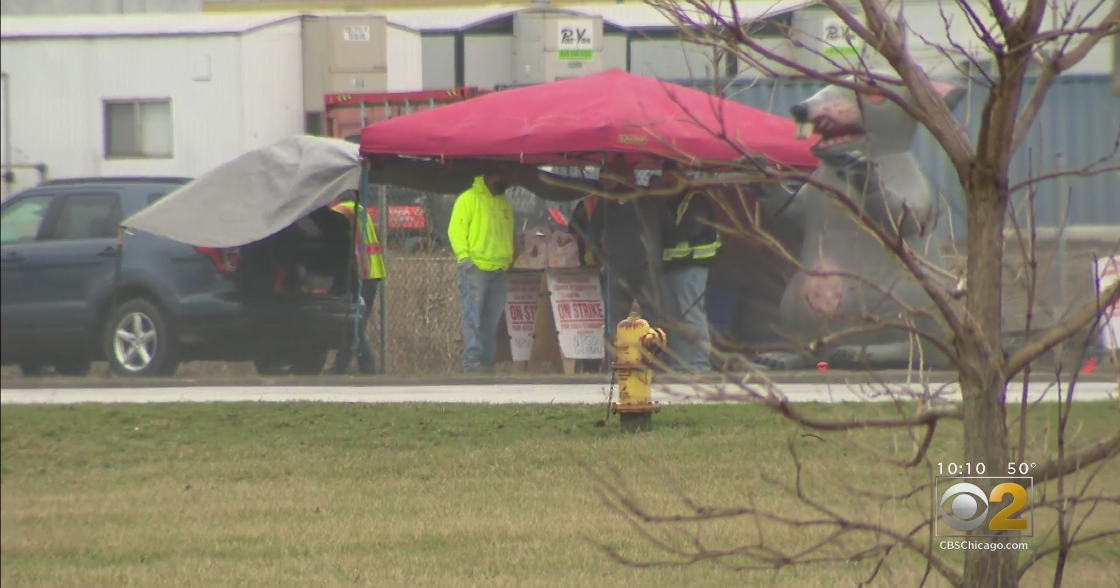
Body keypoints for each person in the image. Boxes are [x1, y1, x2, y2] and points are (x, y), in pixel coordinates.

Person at [449, 173, 515, 373]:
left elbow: (508, 234)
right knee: (474, 319)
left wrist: (508, 260)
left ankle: (486, 365)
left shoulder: (503, 203)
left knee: (491, 322)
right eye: (499, 176)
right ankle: (472, 365)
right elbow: (456, 231)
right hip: (476, 269)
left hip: (499, 269)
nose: (504, 181)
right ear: (489, 176)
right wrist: (465, 260)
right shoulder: (468, 199)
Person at [658, 161, 720, 372]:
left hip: (691, 267)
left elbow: (685, 231)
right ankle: (679, 365)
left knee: (692, 317)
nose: (667, 180)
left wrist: (663, 228)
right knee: (675, 319)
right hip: (672, 267)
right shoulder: (672, 201)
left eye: (672, 175)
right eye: (665, 175)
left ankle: (699, 365)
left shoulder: (696, 200)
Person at [330, 192, 387, 374]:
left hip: (361, 273)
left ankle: (368, 369)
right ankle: (341, 367)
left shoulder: (340, 211)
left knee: (354, 325)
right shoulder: (359, 209)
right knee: (354, 324)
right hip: (373, 271)